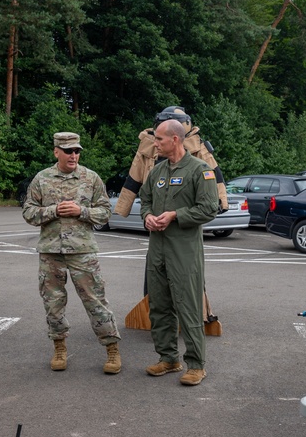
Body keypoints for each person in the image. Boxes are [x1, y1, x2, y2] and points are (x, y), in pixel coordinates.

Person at [22, 133, 122, 373]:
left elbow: (106, 212)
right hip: (51, 252)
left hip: (82, 251)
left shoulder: (91, 178)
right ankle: (59, 347)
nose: (73, 155)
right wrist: (53, 210)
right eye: (68, 151)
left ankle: (112, 350)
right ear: (56, 152)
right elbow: (28, 212)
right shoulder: (42, 179)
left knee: (96, 301)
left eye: (77, 151)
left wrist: (82, 211)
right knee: (53, 303)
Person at [140, 119, 219, 386]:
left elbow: (209, 209)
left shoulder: (200, 170)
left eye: (159, 139)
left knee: (189, 307)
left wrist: (176, 215)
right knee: (159, 307)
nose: (156, 144)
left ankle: (196, 365)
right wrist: (148, 216)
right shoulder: (157, 171)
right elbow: (146, 200)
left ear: (175, 139)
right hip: (157, 250)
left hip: (184, 252)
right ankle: (168, 359)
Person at [114, 106, 227, 217]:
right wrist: (124, 207)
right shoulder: (149, 145)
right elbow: (133, 179)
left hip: (184, 212)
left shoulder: (197, 147)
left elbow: (215, 176)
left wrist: (221, 202)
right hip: (155, 209)